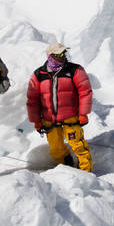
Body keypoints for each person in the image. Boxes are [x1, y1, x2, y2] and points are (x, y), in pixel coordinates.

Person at [25, 42, 93, 172]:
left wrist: (83, 113)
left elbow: (85, 92)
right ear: (50, 56)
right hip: (49, 120)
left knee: (79, 147)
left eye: (64, 53)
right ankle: (68, 170)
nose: (63, 56)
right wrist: (37, 121)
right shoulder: (39, 74)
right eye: (59, 54)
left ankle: (86, 173)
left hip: (71, 118)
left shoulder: (75, 70)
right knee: (56, 150)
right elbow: (32, 99)